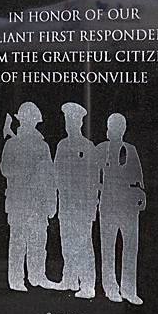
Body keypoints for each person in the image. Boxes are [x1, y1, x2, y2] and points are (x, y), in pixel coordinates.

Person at [0, 102, 57, 291]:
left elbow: (50, 176)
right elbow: (5, 168)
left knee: (38, 241)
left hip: (38, 202)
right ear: (21, 120)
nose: (30, 123)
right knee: (18, 241)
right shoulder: (12, 143)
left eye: (33, 120)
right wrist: (27, 169)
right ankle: (16, 280)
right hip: (18, 201)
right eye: (27, 119)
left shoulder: (42, 146)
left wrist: (51, 202)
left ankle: (37, 276)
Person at [95, 112, 146, 305]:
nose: (115, 130)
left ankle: (129, 290)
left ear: (123, 129)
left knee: (130, 248)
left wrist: (140, 194)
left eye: (119, 126)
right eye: (113, 126)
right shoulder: (101, 149)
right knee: (108, 248)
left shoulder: (130, 150)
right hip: (108, 205)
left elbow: (137, 177)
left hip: (128, 207)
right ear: (108, 128)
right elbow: (94, 176)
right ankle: (110, 288)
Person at [53, 102, 102, 297]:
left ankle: (88, 285)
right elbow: (56, 173)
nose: (69, 124)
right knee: (67, 242)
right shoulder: (62, 145)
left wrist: (91, 206)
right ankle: (70, 279)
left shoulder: (87, 147)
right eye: (67, 120)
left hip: (82, 206)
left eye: (73, 121)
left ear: (80, 122)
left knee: (83, 244)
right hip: (66, 204)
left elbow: (94, 179)